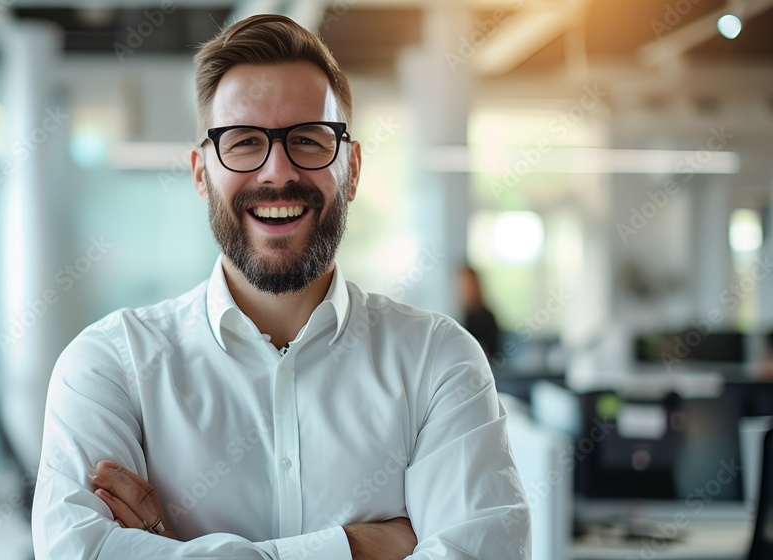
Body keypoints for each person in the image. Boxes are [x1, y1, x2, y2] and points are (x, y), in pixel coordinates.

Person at [32, 13, 530, 559]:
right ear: (200, 173)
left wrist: (172, 548)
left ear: (353, 168)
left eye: (309, 140)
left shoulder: (439, 361)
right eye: (244, 142)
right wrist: (355, 547)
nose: (277, 172)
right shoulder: (110, 366)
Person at [457, 265, 500, 358]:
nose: (464, 289)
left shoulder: (486, 318)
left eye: (467, 285)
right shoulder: (459, 316)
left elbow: (492, 351)